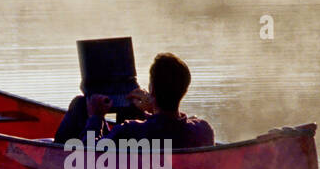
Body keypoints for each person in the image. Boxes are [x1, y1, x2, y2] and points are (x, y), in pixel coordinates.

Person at [53, 52, 214, 148]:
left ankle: (47, 167)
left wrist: (96, 117)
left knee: (80, 104)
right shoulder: (203, 131)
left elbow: (88, 157)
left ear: (151, 90)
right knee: (132, 108)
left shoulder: (129, 131)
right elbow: (173, 125)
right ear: (185, 90)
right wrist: (152, 110)